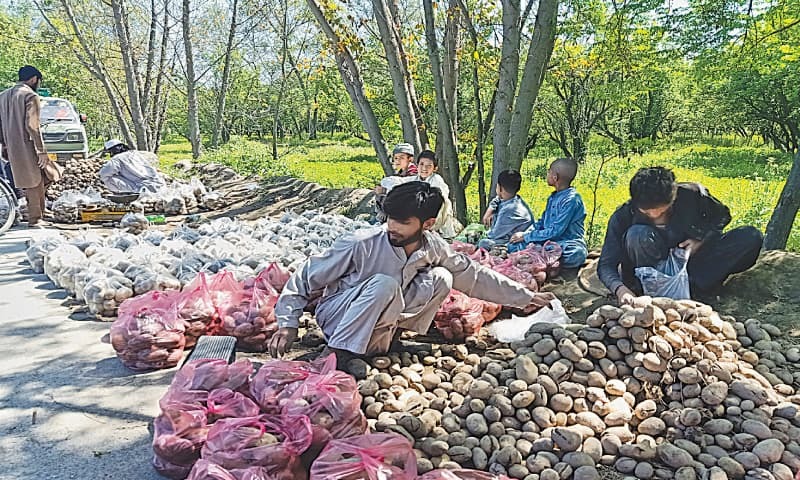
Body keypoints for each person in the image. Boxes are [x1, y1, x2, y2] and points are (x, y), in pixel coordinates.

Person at [269, 181, 557, 365]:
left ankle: (393, 337)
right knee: (384, 284)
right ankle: (339, 354)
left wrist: (525, 297)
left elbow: (474, 276)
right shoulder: (362, 244)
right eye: (390, 218)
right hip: (340, 316)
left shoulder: (432, 246)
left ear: (428, 224)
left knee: (443, 277)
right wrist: (288, 322)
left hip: (385, 316)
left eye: (402, 222)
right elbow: (306, 276)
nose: (392, 226)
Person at [598, 166, 763, 305]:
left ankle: (693, 287)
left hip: (693, 265)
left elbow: (722, 217)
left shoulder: (692, 194)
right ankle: (654, 292)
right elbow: (606, 265)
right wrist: (621, 290)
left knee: (750, 236)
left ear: (674, 196)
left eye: (662, 210)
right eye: (647, 212)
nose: (655, 215)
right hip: (649, 272)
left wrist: (701, 239)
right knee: (637, 234)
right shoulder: (623, 215)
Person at [508, 158, 588, 269]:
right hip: (547, 243)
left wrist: (527, 237)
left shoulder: (572, 200)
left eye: (549, 171)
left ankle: (540, 257)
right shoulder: (553, 197)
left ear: (555, 177)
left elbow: (556, 231)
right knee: (513, 245)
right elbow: (541, 222)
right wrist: (524, 234)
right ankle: (546, 258)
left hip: (566, 243)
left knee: (577, 254)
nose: (547, 174)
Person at [0, 65, 49, 227]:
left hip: (11, 146)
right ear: (34, 79)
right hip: (27, 145)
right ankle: (35, 219)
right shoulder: (30, 96)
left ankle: (39, 211)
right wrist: (41, 150)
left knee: (44, 176)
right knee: (34, 181)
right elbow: (32, 125)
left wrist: (4, 145)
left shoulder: (3, 96)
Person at [409, 150, 461, 239]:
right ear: (417, 165)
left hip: (436, 216)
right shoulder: (414, 179)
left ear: (435, 168)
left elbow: (438, 199)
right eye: (421, 164)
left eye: (428, 166)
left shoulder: (437, 180)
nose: (424, 168)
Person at [478, 170, 534, 251]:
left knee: (483, 243)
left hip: (519, 243)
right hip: (511, 236)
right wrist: (490, 210)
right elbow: (497, 200)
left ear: (500, 188)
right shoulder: (513, 199)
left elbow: (494, 235)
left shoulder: (509, 210)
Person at [372, 143, 419, 223]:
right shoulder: (400, 174)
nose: (398, 161)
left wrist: (384, 191)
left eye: (402, 158)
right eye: (396, 158)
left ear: (410, 159)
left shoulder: (414, 174)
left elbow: (405, 192)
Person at [98, 139, 165, 193]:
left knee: (108, 178)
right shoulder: (135, 153)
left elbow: (103, 173)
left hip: (143, 188)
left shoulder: (117, 159)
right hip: (159, 185)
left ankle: (126, 194)